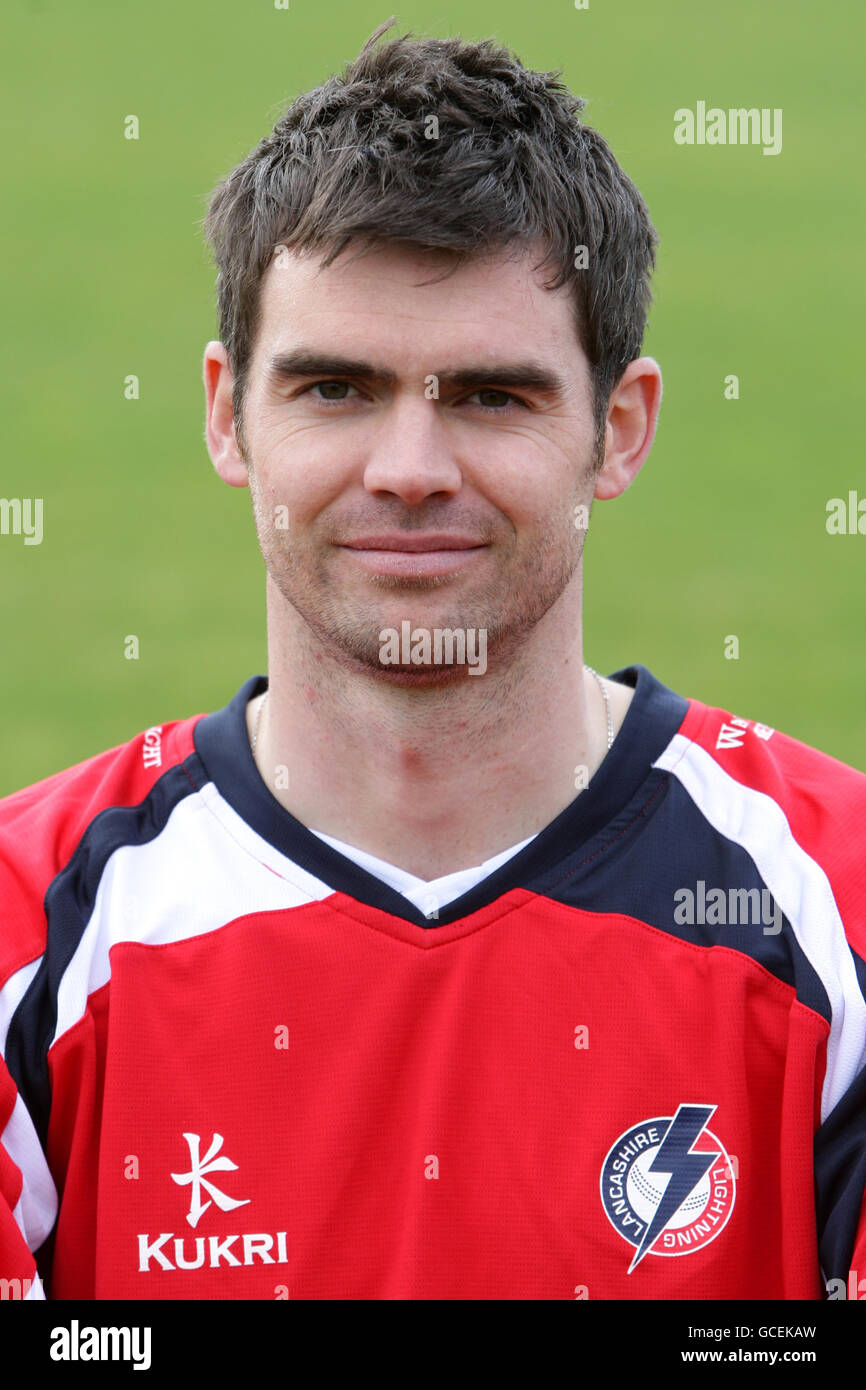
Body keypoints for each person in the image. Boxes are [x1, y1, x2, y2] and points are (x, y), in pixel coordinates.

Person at [1, 19, 864, 1303]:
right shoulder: (32, 927)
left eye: (489, 396)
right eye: (335, 389)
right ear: (224, 413)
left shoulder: (834, 905)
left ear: (617, 430)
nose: (409, 470)